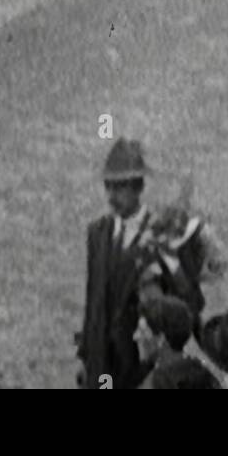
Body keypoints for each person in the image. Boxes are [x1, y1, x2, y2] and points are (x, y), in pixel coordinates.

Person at [77, 138, 152, 389]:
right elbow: (93, 298)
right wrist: (85, 355)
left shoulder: (157, 237)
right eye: (108, 187)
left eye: (119, 188)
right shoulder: (97, 233)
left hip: (136, 368)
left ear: (138, 187)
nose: (111, 196)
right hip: (99, 364)